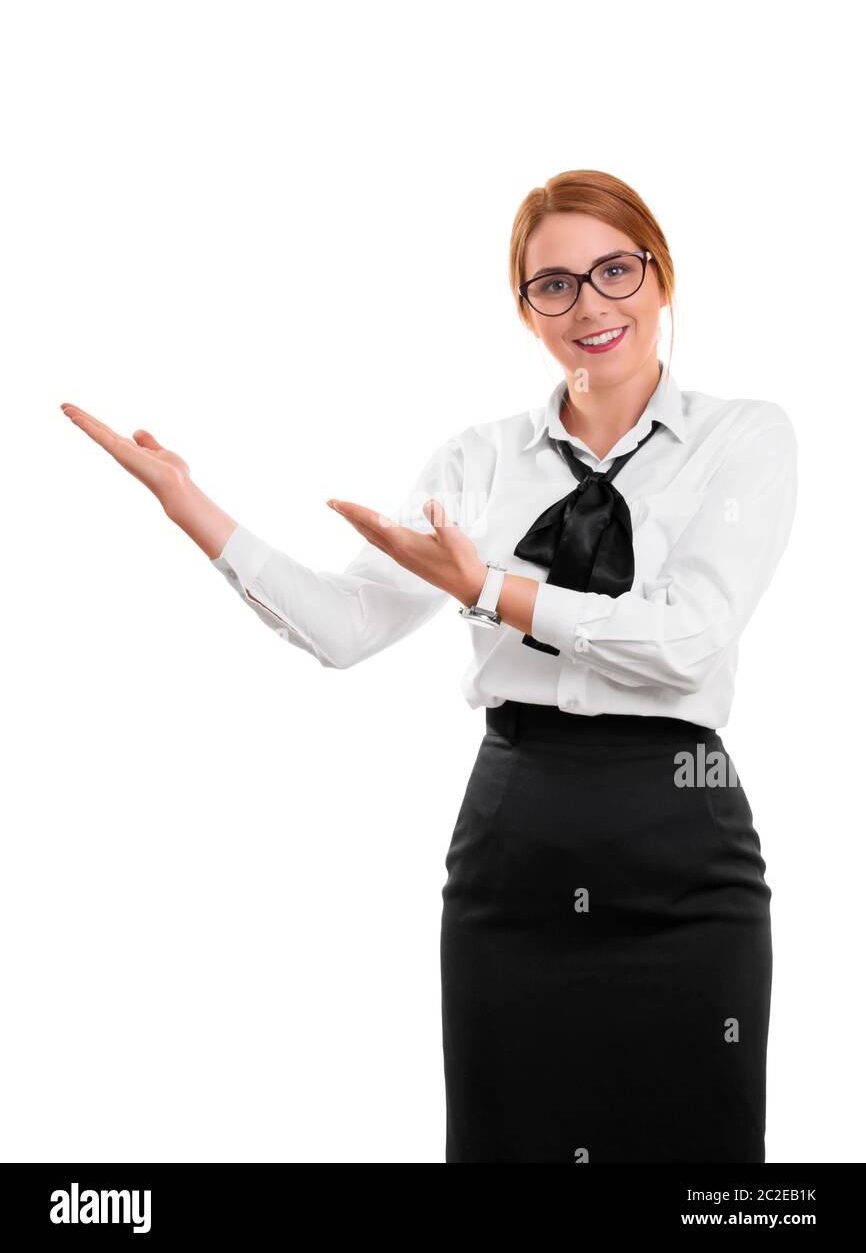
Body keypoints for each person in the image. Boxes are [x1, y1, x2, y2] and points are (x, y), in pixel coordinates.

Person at [60, 168, 798, 1163]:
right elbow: (345, 626)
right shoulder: (477, 462)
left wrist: (491, 588)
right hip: (515, 848)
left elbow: (688, 638)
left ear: (660, 280)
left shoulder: (743, 436)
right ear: (526, 311)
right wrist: (190, 506)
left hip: (682, 847)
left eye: (614, 271)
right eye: (554, 285)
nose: (590, 306)